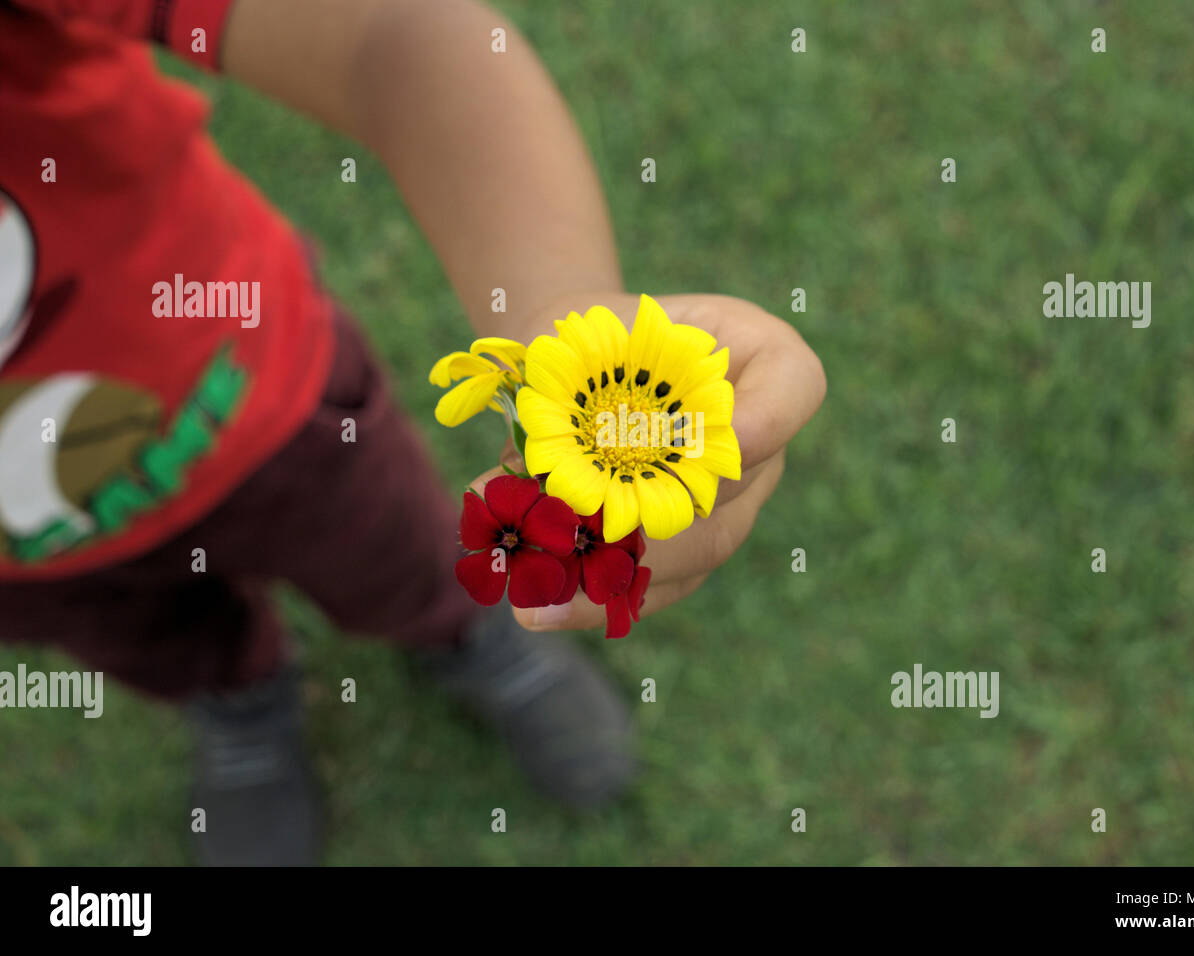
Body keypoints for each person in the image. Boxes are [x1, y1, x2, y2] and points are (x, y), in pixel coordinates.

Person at [0, 0, 826, 865]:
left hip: (261, 414)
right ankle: (241, 707)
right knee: (154, 645)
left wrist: (564, 319)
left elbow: (392, 38)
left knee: (404, 558)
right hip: (33, 567)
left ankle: (472, 639)